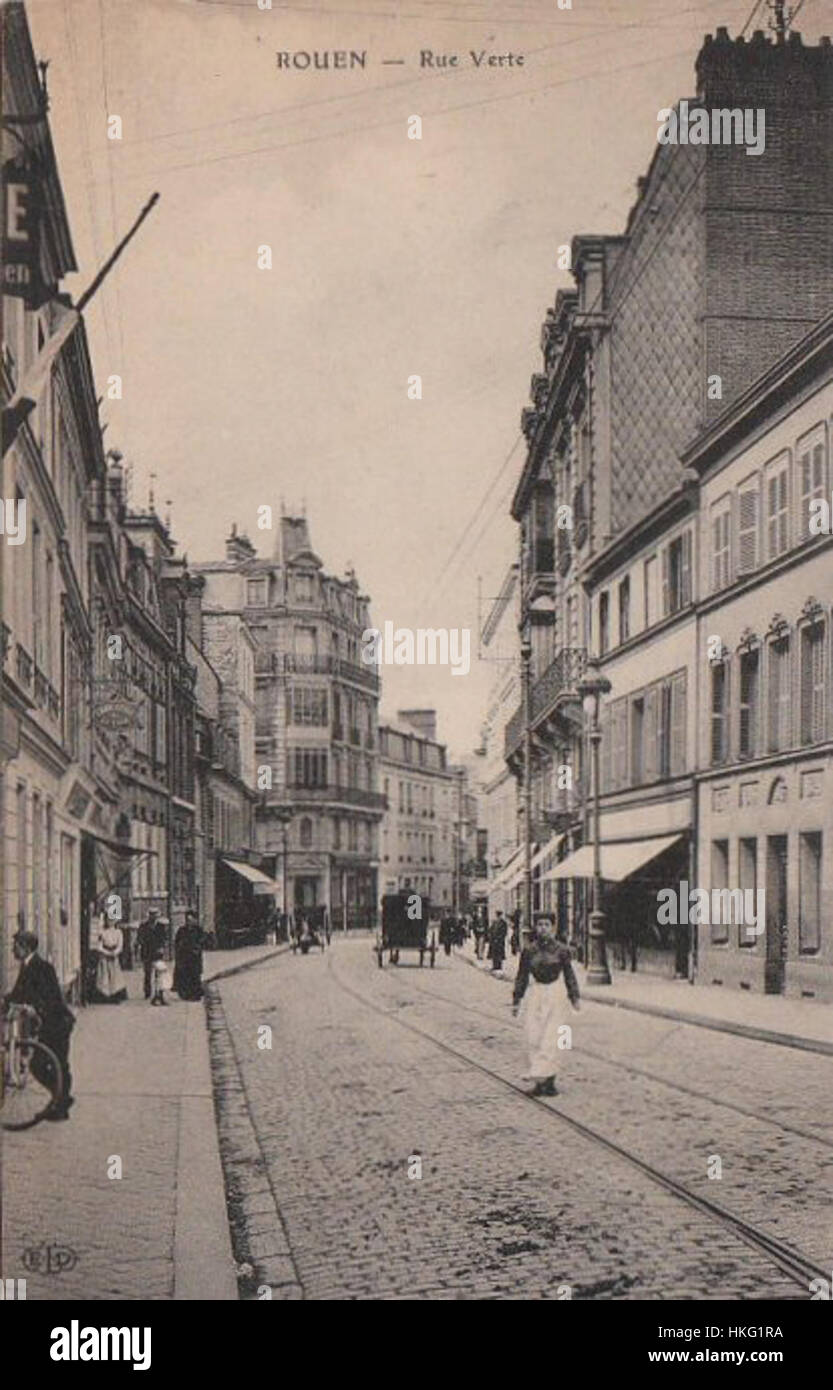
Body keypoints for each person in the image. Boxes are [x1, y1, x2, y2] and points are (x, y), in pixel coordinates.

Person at [5, 931, 76, 1119]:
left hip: (58, 1022)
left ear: (26, 947)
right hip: (48, 1024)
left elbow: (50, 997)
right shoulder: (26, 966)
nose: (12, 949)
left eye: (16, 946)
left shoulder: (43, 967)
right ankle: (61, 1099)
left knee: (58, 1064)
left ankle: (61, 1104)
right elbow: (18, 993)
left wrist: (34, 1008)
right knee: (40, 1065)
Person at [512, 918, 580, 1097]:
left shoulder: (562, 950)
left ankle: (550, 1081)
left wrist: (574, 997)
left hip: (555, 994)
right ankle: (538, 1080)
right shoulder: (529, 951)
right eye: (540, 925)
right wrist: (517, 999)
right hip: (536, 994)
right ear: (536, 927)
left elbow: (569, 974)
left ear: (553, 928)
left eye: (547, 925)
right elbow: (522, 976)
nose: (543, 929)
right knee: (533, 1036)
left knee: (553, 1037)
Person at [93, 917, 127, 1003]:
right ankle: (105, 995)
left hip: (114, 956)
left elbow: (120, 945)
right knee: (104, 975)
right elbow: (99, 946)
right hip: (104, 956)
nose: (110, 922)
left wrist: (115, 952)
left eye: (112, 920)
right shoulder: (103, 932)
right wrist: (106, 952)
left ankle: (114, 994)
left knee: (115, 976)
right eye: (109, 920)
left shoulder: (118, 932)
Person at [173, 911, 206, 1000]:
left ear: (195, 920)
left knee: (195, 975)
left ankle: (195, 995)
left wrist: (197, 948)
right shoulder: (182, 930)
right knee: (185, 975)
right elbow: (177, 942)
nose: (189, 922)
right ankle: (186, 994)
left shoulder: (198, 930)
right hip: (184, 956)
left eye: (191, 920)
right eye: (187, 920)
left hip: (195, 956)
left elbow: (202, 941)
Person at [137, 907, 167, 1000]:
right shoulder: (143, 926)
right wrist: (141, 945)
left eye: (155, 914)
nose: (153, 916)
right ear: (149, 915)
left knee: (158, 973)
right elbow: (140, 938)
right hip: (147, 952)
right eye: (151, 914)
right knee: (147, 973)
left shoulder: (161, 926)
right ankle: (147, 992)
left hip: (157, 952)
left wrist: (162, 948)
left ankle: (158, 991)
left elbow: (164, 938)